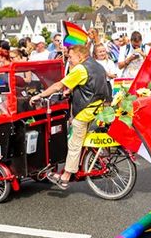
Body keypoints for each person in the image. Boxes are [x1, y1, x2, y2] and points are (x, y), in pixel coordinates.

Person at [29, 44, 112, 190]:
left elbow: (58, 86)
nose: (69, 60)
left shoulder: (81, 68)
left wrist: (40, 95)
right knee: (80, 139)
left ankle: (66, 176)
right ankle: (83, 163)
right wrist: (71, 90)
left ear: (80, 56)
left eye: (71, 57)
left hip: (85, 110)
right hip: (98, 108)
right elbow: (90, 84)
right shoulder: (96, 65)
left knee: (74, 143)